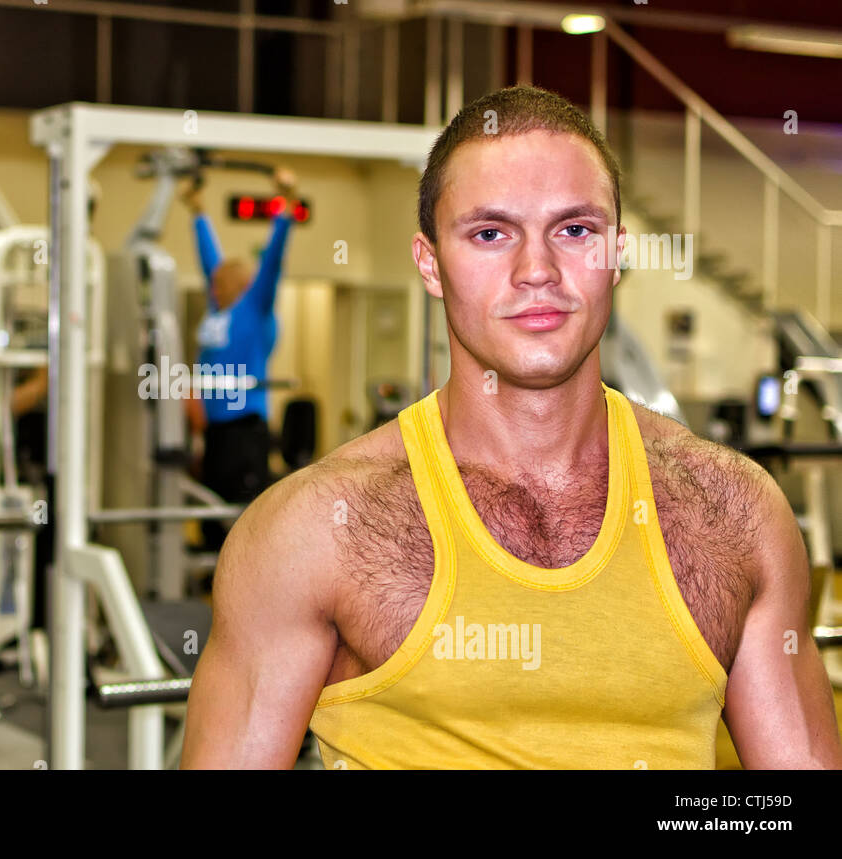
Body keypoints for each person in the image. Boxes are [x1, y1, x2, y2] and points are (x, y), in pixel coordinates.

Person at [181, 86, 842, 769]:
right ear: (430, 263)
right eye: (491, 233)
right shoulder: (311, 531)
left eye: (575, 230)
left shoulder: (737, 512)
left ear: (617, 251)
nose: (537, 271)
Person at [181, 167, 298, 549]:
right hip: (214, 434)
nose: (214, 279)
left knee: (239, 526)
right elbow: (208, 258)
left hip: (244, 432)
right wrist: (197, 210)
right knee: (211, 524)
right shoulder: (219, 309)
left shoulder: (254, 307)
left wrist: (287, 206)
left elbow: (274, 262)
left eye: (223, 276)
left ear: (243, 282)